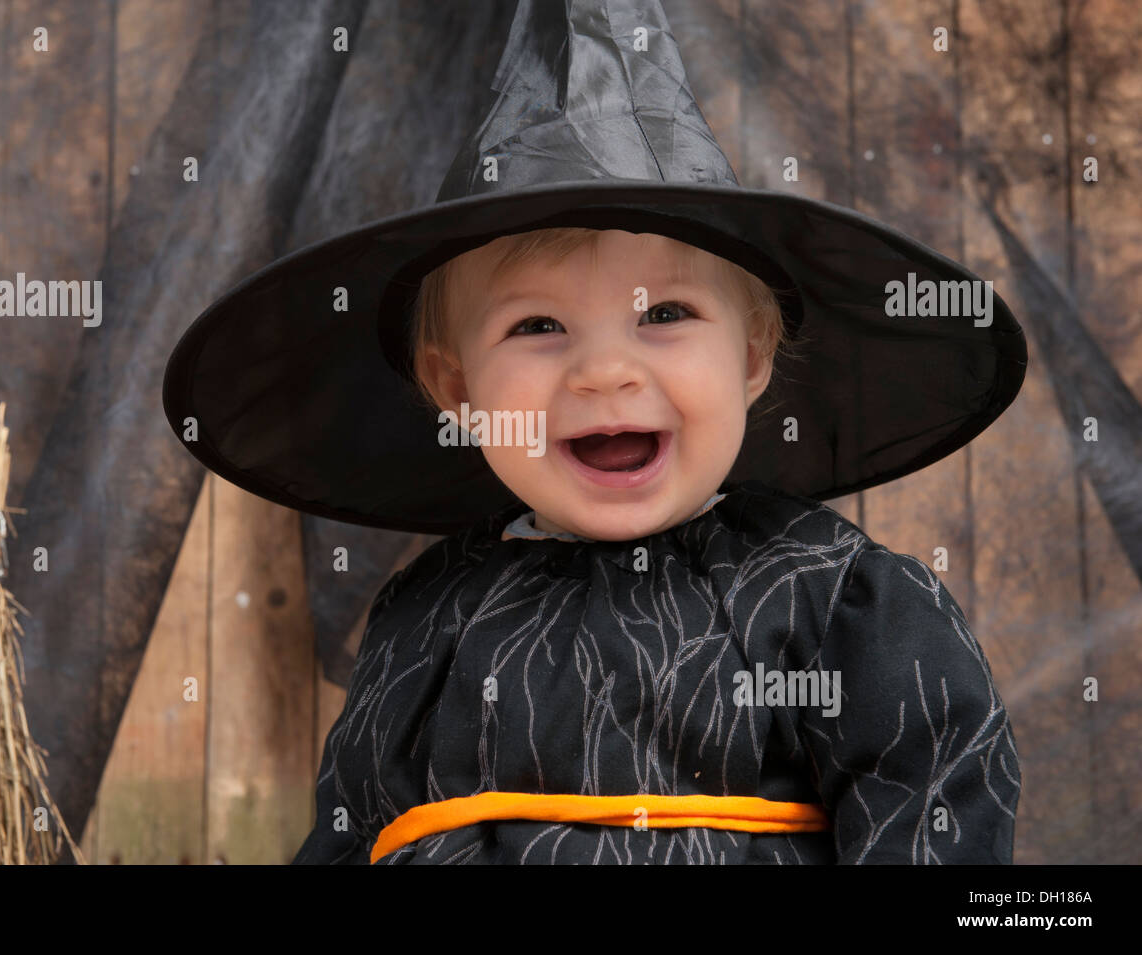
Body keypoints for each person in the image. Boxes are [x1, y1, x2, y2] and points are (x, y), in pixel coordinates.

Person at [162, 0, 1026, 864]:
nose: (604, 371)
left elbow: (934, 808)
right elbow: (349, 837)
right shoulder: (424, 619)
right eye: (537, 326)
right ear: (456, 386)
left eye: (667, 313)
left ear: (753, 356)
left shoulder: (835, 601)